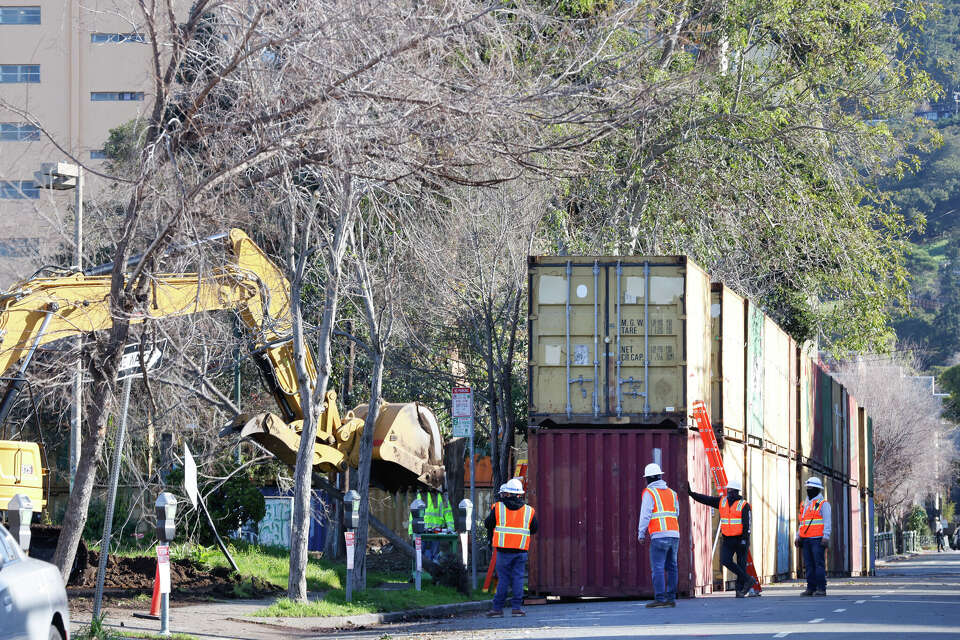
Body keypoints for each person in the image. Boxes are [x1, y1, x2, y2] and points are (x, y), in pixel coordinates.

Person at [686, 476, 757, 597]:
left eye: (731, 491)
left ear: (737, 492)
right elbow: (707, 499)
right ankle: (748, 579)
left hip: (741, 540)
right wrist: (692, 494)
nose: (729, 492)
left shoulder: (744, 505)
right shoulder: (722, 501)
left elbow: (747, 524)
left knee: (741, 564)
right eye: (728, 490)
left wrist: (745, 540)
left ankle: (739, 591)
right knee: (725, 560)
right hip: (728, 539)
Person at [485, 478, 538, 618]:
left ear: (507, 493)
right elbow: (534, 529)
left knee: (503, 579)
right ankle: (516, 608)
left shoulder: (498, 507)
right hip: (520, 551)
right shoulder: (529, 511)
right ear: (520, 494)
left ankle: (497, 609)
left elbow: (487, 524)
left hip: (503, 551)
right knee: (518, 579)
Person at [637, 462, 680, 608]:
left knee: (658, 567)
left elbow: (645, 515)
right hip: (674, 535)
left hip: (659, 536)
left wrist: (641, 533)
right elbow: (676, 513)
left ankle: (660, 599)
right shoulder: (672, 493)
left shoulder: (649, 493)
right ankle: (671, 599)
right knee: (672, 566)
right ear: (660, 476)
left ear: (648, 479)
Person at [795, 477, 831, 597]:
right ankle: (810, 588)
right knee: (809, 565)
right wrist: (798, 536)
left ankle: (821, 588)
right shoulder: (806, 504)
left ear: (816, 489)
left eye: (810, 488)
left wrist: (826, 536)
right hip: (806, 539)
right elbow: (802, 522)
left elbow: (827, 522)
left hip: (818, 539)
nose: (808, 490)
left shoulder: (823, 504)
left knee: (818, 564)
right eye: (807, 488)